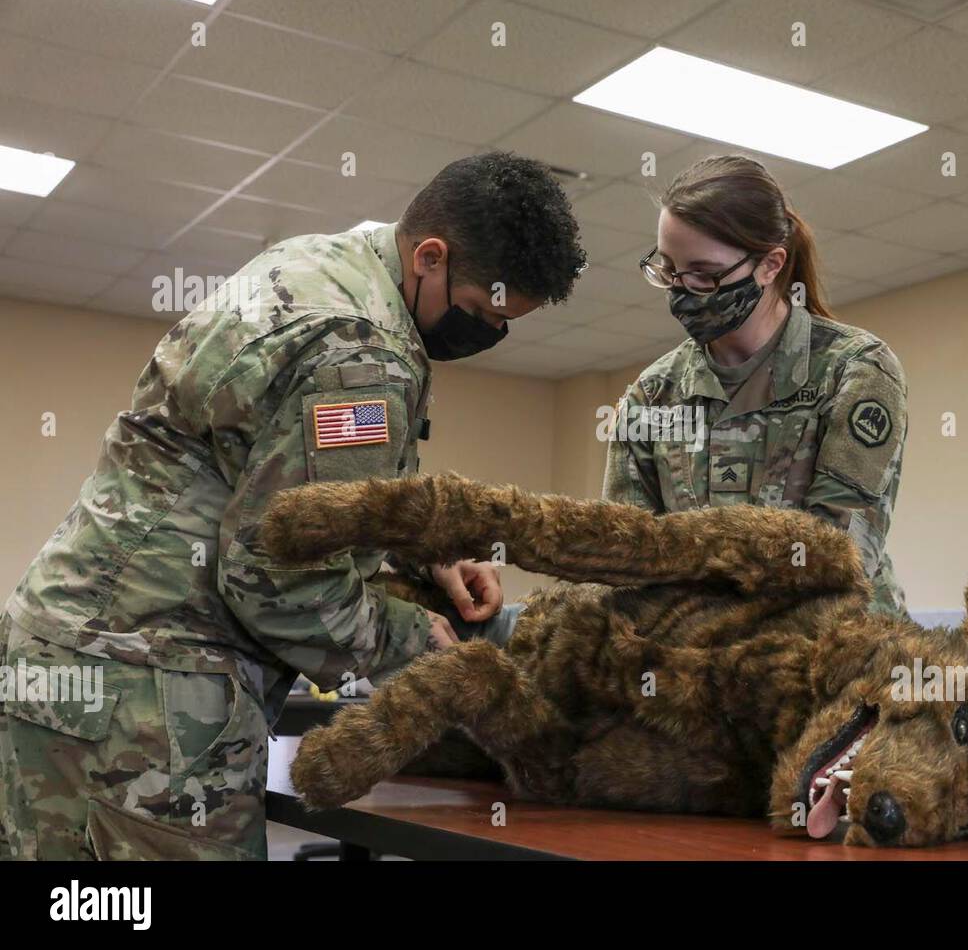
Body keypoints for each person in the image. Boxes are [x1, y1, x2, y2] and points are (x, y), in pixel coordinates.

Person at [0, 151, 586, 860]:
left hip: (69, 656)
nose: (490, 334)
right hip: (150, 690)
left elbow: (272, 478)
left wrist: (423, 556)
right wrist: (414, 639)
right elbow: (277, 580)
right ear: (430, 256)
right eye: (480, 313)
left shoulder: (311, 263)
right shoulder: (361, 349)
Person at [603, 154, 908, 616]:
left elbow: (837, 557)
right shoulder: (655, 396)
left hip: (834, 657)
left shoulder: (854, 370)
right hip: (695, 659)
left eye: (704, 274)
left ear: (770, 265)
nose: (682, 289)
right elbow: (624, 555)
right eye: (668, 270)